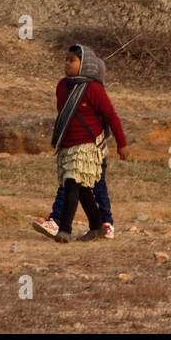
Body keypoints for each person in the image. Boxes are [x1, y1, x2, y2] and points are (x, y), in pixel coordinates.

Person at [37, 44, 129, 242]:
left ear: (84, 64)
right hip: (68, 146)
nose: (67, 64)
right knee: (83, 188)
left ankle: (65, 230)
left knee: (72, 183)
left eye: (72, 60)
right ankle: (96, 226)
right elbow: (63, 115)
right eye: (66, 60)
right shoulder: (62, 86)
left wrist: (122, 144)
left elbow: (111, 116)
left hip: (87, 146)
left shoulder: (94, 89)